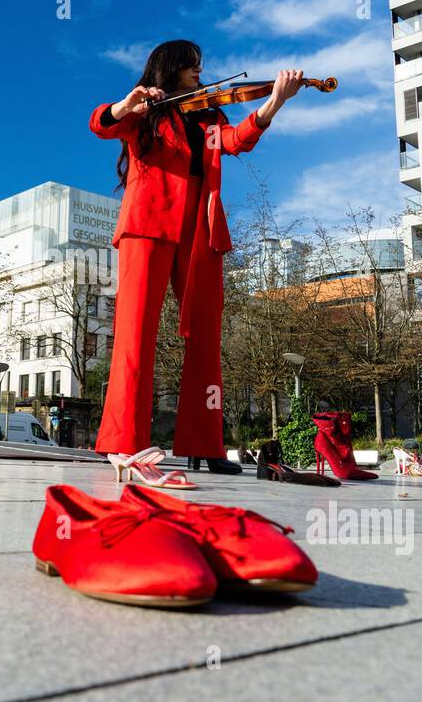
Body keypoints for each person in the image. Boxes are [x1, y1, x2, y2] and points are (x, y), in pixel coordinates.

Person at [91, 39, 302, 472]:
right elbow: (100, 124)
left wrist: (275, 102)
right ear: (169, 69)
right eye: (192, 67)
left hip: (200, 228)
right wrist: (124, 105)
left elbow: (236, 141)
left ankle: (204, 445)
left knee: (206, 335)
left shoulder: (209, 114)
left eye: (200, 67)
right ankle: (123, 440)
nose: (200, 74)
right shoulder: (143, 112)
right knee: (135, 333)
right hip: (147, 223)